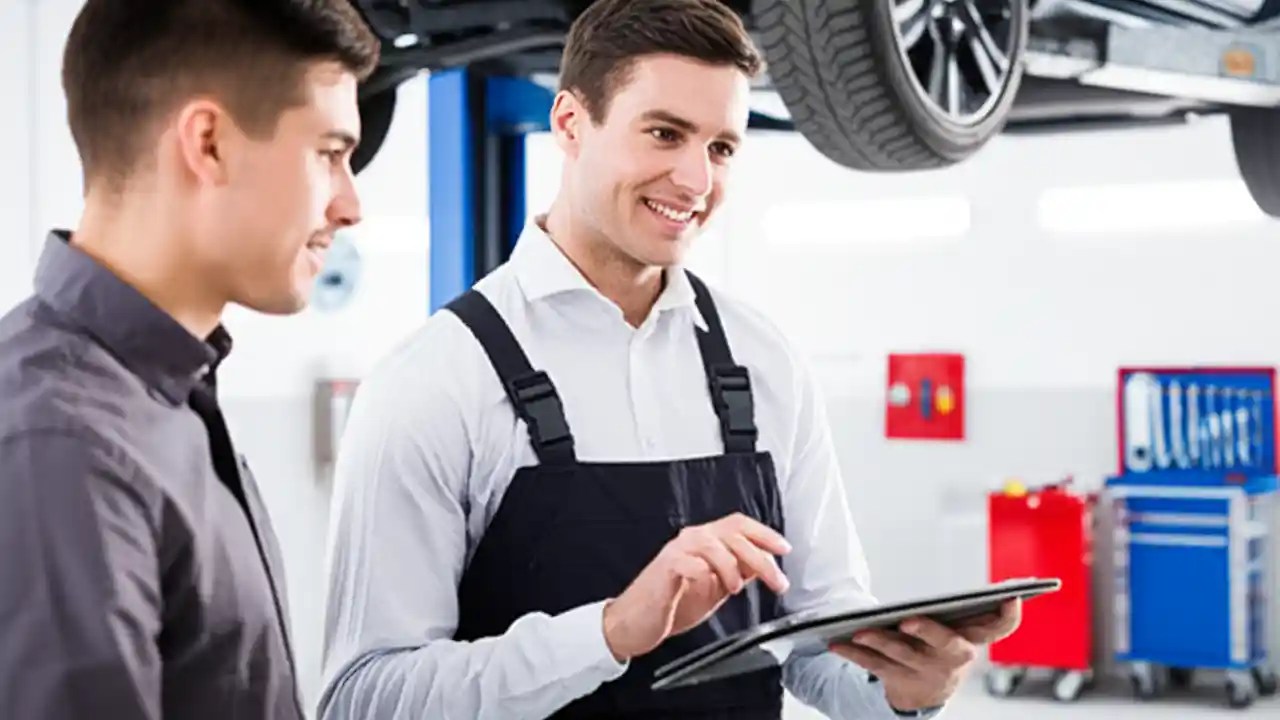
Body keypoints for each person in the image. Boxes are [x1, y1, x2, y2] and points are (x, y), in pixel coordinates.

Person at [318, 0, 1020, 718]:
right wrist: (612, 630)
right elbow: (364, 699)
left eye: (721, 148)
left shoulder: (764, 361)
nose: (695, 181)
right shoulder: (436, 380)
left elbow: (814, 639)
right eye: (664, 134)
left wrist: (903, 688)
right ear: (569, 124)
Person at [0, 1, 378, 718]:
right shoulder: (62, 444)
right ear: (208, 143)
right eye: (331, 154)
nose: (351, 204)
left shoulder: (165, 402)